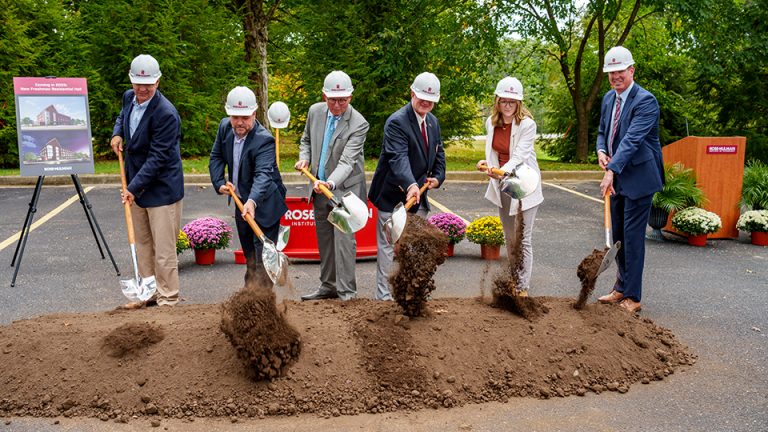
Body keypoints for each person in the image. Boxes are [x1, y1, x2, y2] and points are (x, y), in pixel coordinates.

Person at [110, 54, 184, 308]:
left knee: (163, 249)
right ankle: (148, 293)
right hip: (137, 183)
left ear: (158, 81)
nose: (142, 89)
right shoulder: (128, 97)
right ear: (131, 81)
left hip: (162, 187)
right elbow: (122, 117)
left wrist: (131, 188)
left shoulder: (166, 114)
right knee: (142, 244)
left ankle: (168, 297)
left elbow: (158, 158)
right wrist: (117, 133)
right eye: (138, 83)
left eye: (148, 84)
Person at [595, 46, 664, 314]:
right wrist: (601, 152)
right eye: (611, 73)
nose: (615, 77)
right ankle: (621, 287)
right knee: (620, 238)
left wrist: (611, 169)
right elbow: (603, 132)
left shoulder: (646, 101)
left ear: (631, 70)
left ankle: (633, 297)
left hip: (639, 178)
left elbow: (632, 140)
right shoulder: (608, 99)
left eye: (620, 71)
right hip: (617, 175)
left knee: (633, 238)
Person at [368, 72, 446, 300]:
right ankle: (383, 296)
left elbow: (438, 155)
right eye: (421, 97)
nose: (426, 102)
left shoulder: (433, 122)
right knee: (388, 246)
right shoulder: (397, 122)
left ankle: (410, 294)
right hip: (392, 193)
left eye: (430, 99)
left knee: (415, 245)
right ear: (412, 93)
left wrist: (438, 177)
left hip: (418, 195)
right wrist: (410, 184)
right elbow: (397, 158)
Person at [294, 71, 370, 301]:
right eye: (332, 100)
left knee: (345, 241)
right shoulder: (315, 112)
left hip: (344, 190)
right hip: (318, 187)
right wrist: (305, 157)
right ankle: (328, 286)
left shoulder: (359, 123)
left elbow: (347, 161)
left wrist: (330, 182)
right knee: (325, 239)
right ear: (324, 95)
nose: (337, 105)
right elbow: (306, 140)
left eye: (343, 100)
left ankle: (347, 292)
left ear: (351, 97)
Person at [209, 86, 288, 287]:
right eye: (235, 117)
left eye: (245, 117)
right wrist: (219, 183)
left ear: (254, 113)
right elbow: (216, 156)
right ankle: (250, 296)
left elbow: (263, 176)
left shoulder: (264, 140)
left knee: (263, 257)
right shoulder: (224, 127)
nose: (240, 122)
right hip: (240, 200)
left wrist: (252, 202)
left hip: (265, 204)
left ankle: (261, 303)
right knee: (250, 256)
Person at [476, 77, 543, 296]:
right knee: (509, 238)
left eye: (512, 102)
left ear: (518, 103)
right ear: (497, 101)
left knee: (523, 238)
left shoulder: (527, 125)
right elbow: (492, 153)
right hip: (504, 184)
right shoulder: (491, 123)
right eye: (504, 101)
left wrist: (501, 170)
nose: (507, 105)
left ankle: (522, 288)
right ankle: (514, 281)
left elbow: (519, 156)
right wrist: (487, 166)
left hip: (525, 185)